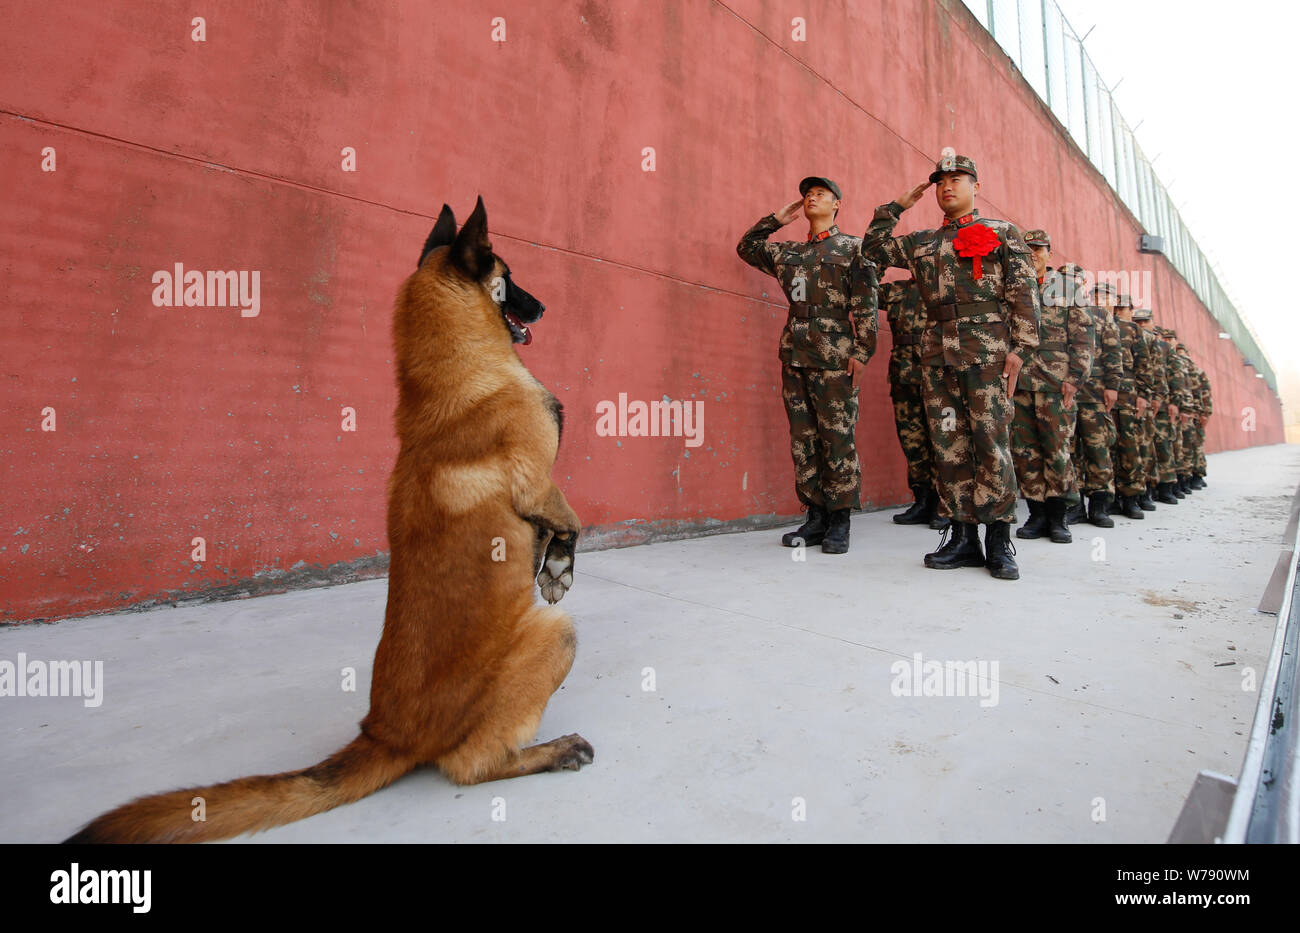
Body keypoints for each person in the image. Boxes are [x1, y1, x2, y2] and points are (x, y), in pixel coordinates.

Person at [862, 150, 1040, 580]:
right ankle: (961, 538)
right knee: (948, 445)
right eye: (941, 180)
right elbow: (873, 250)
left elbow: (1023, 291)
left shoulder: (1001, 232)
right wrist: (896, 206)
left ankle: (999, 541)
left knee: (990, 442)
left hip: (989, 353)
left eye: (957, 179)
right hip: (937, 353)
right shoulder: (922, 241)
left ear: (975, 186)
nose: (947, 186)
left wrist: (1022, 348)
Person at [737, 176, 878, 554]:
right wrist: (775, 220)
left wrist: (863, 351)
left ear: (837, 205)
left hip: (834, 355)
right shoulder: (790, 252)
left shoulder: (853, 249)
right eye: (808, 194)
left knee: (837, 435)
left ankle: (840, 518)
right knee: (803, 438)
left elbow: (865, 304)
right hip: (794, 353)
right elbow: (747, 248)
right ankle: (815, 515)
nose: (811, 198)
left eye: (821, 194)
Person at [1011, 230, 1092, 544]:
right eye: (1027, 249)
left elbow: (1084, 337)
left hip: (1057, 383)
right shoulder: (1012, 286)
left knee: (1057, 450)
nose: (1032, 254)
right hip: (1020, 383)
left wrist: (1076, 378)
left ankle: (1058, 518)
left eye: (1038, 249)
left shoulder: (1067, 288)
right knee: (1025, 451)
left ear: (1049, 253)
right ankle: (1036, 514)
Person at [883, 277, 946, 529]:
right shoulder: (896, 290)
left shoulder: (944, 286)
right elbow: (863, 287)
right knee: (912, 440)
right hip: (903, 374)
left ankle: (944, 504)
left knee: (941, 440)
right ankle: (922, 500)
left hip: (936, 376)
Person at [1072, 279, 1121, 527]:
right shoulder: (1067, 311)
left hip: (1096, 392)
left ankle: (1100, 505)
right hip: (1069, 390)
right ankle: (1076, 505)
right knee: (1070, 450)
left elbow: (1113, 351)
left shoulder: (1101, 316)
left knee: (1098, 447)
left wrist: (1112, 386)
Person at [1110, 293, 1151, 520]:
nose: (1119, 310)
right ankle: (1110, 497)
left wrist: (1143, 395)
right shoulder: (1101, 323)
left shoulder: (1134, 331)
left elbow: (1144, 365)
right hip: (1104, 394)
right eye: (1117, 307)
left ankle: (1131, 497)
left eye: (1123, 307)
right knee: (1108, 447)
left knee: (1130, 447)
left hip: (1128, 397)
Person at [1132, 307, 1163, 510]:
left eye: (1145, 321)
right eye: (1138, 321)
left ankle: (1146, 490)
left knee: (1145, 444)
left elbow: (1158, 372)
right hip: (1127, 396)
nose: (1142, 325)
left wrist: (1155, 397)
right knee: (1130, 446)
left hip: (1146, 398)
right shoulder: (1129, 334)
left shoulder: (1152, 341)